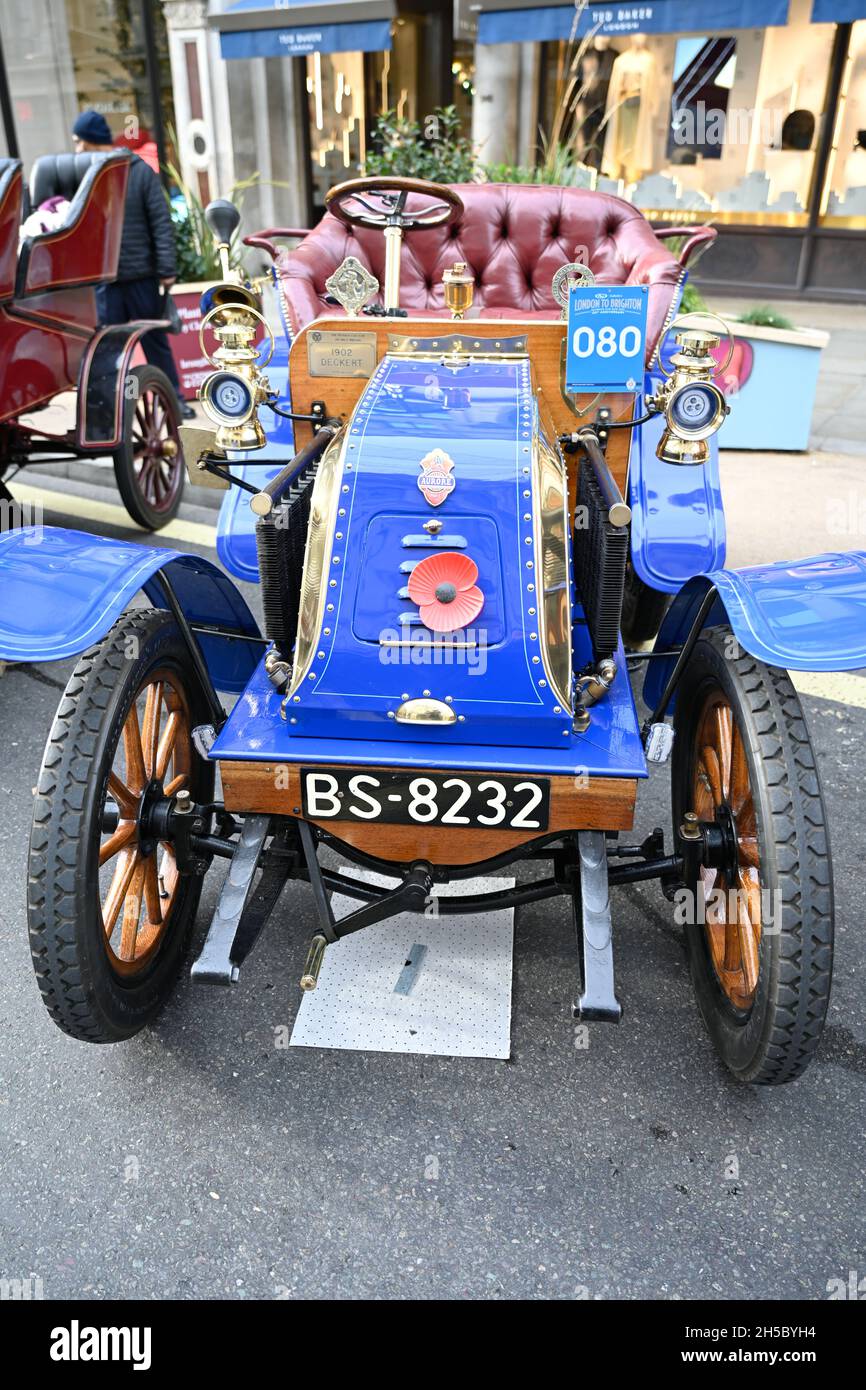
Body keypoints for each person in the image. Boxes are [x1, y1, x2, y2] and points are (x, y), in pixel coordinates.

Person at [72, 110, 194, 419]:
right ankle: (108, 411)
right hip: (106, 282)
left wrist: (167, 271)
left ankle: (174, 401)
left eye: (77, 142)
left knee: (155, 343)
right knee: (107, 349)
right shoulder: (87, 173)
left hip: (141, 277)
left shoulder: (138, 171)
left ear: (89, 141)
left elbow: (161, 222)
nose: (75, 149)